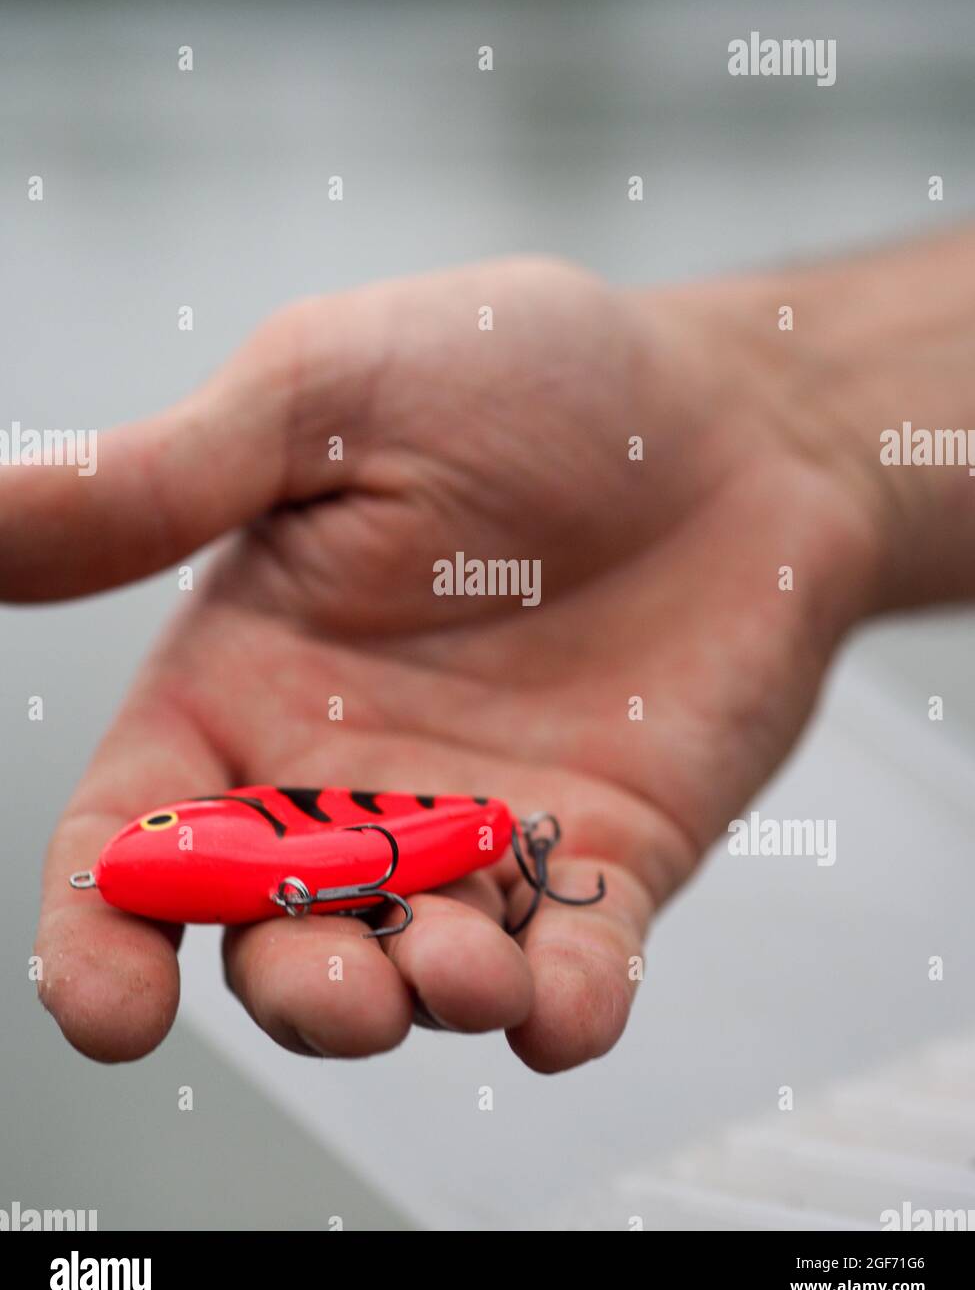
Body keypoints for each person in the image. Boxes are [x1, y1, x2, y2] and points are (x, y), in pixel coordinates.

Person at [9, 228, 974, 1072]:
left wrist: (790, 435)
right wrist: (790, 429)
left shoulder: (446, 829)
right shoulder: (175, 847)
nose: (132, 853)